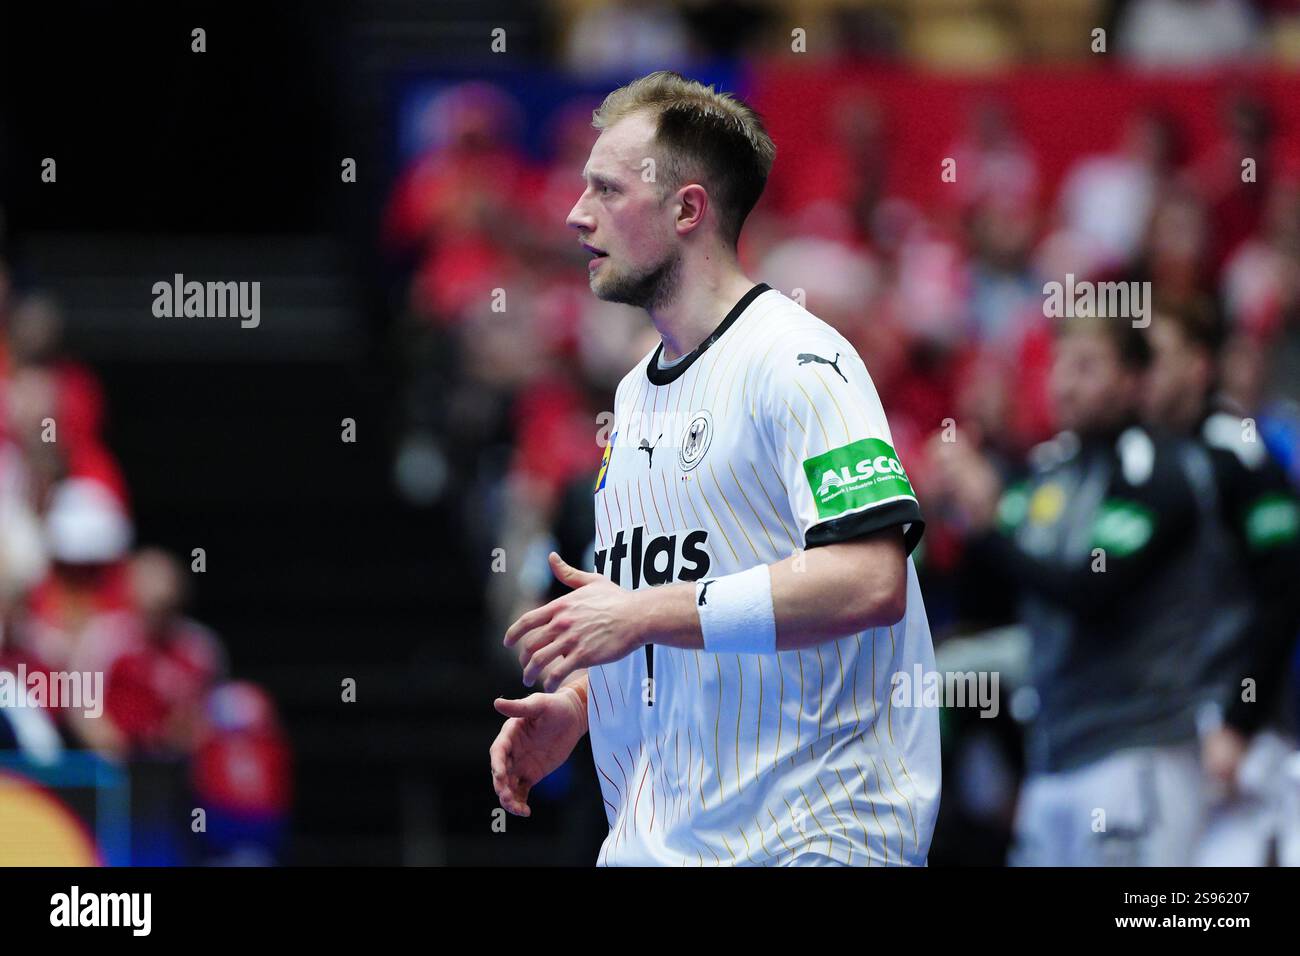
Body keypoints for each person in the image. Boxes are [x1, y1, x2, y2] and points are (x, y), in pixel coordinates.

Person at [489, 71, 940, 866]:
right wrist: (584, 701)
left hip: (811, 833)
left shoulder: (800, 360)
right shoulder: (632, 398)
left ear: (687, 209)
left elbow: (872, 580)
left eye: (606, 189)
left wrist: (640, 613)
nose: (574, 213)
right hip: (665, 836)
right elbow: (682, 608)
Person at [932, 315, 1210, 865]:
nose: (1065, 382)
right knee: (940, 668)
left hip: (1134, 757)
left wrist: (988, 524)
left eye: (1087, 367)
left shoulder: (1157, 470)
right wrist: (961, 508)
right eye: (1060, 364)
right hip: (1053, 759)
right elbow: (1000, 578)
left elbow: (1091, 588)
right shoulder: (1049, 468)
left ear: (1133, 381)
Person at [1143, 298, 1300, 864]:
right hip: (1152, 732)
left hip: (1235, 736)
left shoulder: (1242, 455)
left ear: (1200, 364)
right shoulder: (1132, 459)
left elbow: (1285, 590)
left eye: (1158, 357)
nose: (1144, 374)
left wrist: (1239, 720)